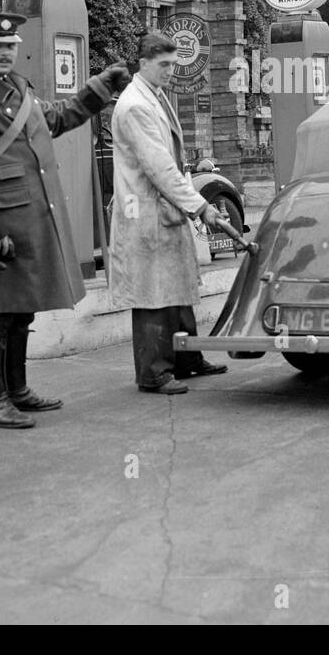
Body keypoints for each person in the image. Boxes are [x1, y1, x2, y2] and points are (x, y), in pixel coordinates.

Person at [0, 12, 132, 428]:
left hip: (27, 220)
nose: (4, 53)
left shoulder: (17, 88)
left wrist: (100, 87)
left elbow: (57, 117)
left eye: (10, 46)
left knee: (20, 311)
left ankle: (17, 390)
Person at [108, 32, 228, 394]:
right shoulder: (136, 105)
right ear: (143, 63)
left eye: (173, 64)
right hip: (146, 209)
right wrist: (200, 206)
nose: (170, 71)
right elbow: (159, 167)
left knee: (176, 286)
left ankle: (187, 359)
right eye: (163, 64)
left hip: (163, 207)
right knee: (153, 294)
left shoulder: (155, 95)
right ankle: (153, 373)